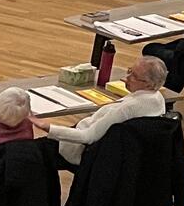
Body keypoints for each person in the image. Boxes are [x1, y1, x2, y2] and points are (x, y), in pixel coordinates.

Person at [36, 55, 168, 166]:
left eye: (133, 75)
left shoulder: (128, 109)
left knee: (32, 151)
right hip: (117, 155)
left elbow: (87, 137)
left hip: (83, 149)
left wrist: (48, 127)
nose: (126, 77)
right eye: (129, 71)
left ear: (149, 84)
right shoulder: (158, 99)